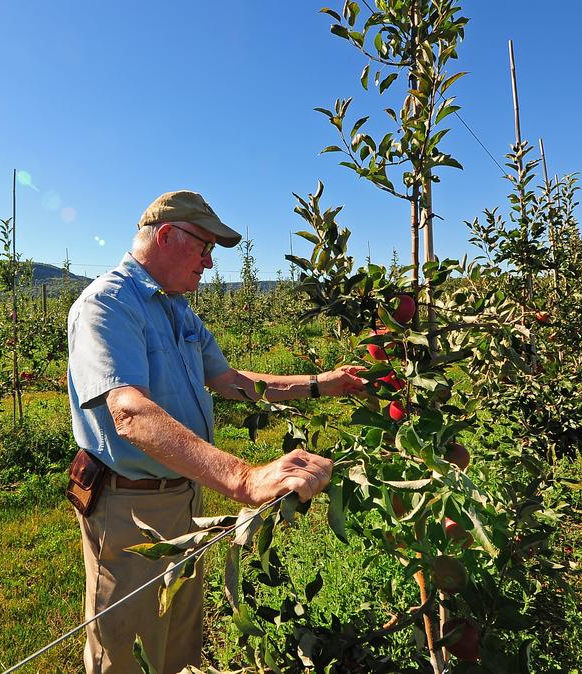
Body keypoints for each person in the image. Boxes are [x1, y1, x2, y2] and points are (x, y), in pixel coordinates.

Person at [66, 190, 367, 674]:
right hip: (128, 506)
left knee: (179, 639)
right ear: (166, 236)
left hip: (185, 497)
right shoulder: (107, 305)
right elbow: (129, 412)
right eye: (204, 246)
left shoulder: (179, 311)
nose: (209, 262)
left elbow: (230, 381)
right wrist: (243, 479)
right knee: (126, 651)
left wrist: (323, 384)